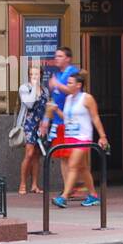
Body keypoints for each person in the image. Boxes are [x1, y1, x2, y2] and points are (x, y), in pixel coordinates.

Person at [42, 70, 108, 208]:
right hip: (70, 136)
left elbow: (95, 117)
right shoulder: (69, 99)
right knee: (83, 167)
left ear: (79, 85)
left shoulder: (87, 98)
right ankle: (93, 195)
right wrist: (55, 110)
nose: (67, 85)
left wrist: (102, 136)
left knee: (72, 166)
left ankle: (64, 197)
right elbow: (68, 118)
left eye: (70, 83)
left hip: (83, 137)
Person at [16, 66, 47, 195]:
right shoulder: (24, 88)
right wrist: (34, 87)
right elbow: (29, 103)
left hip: (40, 125)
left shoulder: (45, 89)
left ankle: (34, 184)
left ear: (41, 74)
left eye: (36, 74)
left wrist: (44, 123)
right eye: (31, 74)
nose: (34, 76)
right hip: (28, 123)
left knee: (37, 156)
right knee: (29, 154)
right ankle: (22, 183)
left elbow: (46, 107)